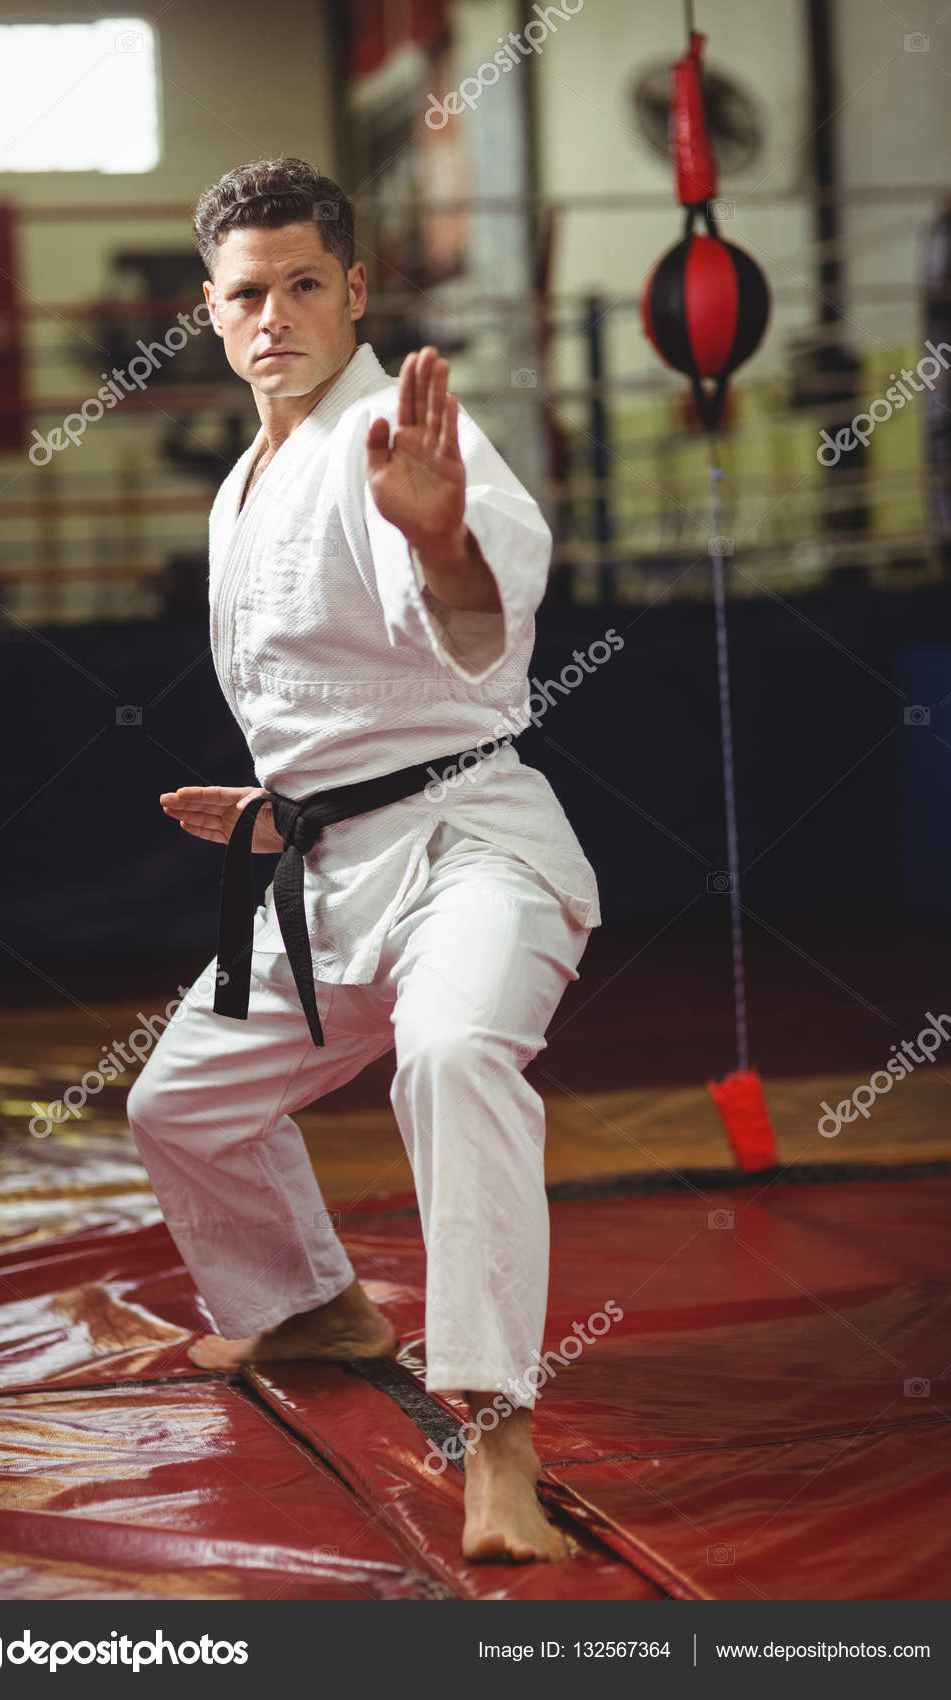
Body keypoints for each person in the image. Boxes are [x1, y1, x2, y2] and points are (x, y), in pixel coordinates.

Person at [125, 156, 602, 1564]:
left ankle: (498, 1439)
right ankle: (314, 1303)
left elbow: (468, 627)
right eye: (246, 294)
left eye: (304, 286)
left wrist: (443, 536)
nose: (275, 316)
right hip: (323, 865)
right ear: (209, 312)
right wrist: (286, 803)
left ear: (359, 291)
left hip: (472, 854)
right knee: (176, 1106)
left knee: (451, 1055)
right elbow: (341, 702)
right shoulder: (245, 481)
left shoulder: (400, 431)